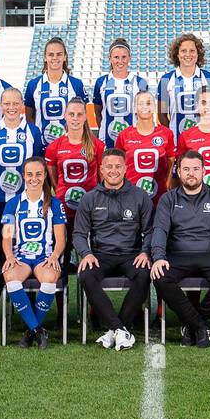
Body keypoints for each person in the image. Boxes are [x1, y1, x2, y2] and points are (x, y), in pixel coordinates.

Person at [149, 151, 210, 349]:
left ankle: (191, 324)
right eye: (187, 169)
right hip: (178, 256)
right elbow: (159, 230)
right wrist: (158, 257)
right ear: (179, 172)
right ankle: (199, 326)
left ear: (204, 171)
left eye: (196, 169)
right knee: (159, 277)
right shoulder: (168, 199)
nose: (191, 173)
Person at [74, 148, 154, 352]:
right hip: (101, 255)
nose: (113, 170)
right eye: (109, 166)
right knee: (85, 274)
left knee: (144, 274)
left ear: (125, 169)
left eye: (118, 166)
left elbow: (152, 230)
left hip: (131, 254)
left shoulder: (140, 196)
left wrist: (145, 251)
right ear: (101, 169)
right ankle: (120, 329)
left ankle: (115, 330)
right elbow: (79, 234)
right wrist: (87, 253)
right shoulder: (89, 199)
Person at [0, 157, 67, 350]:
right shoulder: (13, 204)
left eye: (38, 174)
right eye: (30, 174)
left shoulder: (54, 204)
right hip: (20, 257)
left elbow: (60, 238)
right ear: (23, 176)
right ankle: (38, 330)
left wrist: (54, 256)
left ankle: (30, 332)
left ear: (45, 175)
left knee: (50, 276)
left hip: (44, 256)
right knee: (10, 276)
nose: (34, 178)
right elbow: (6, 237)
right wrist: (10, 256)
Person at [0, 87, 45, 276]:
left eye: (15, 103)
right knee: (1, 248)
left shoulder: (33, 132)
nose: (11, 107)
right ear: (1, 105)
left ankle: (27, 294)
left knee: (27, 247)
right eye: (7, 103)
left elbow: (37, 166)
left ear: (22, 106)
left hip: (26, 202)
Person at [44, 98, 104, 272]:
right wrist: (63, 195)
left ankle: (90, 297)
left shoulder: (97, 145)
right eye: (71, 114)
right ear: (65, 116)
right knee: (60, 261)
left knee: (92, 260)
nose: (75, 118)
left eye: (79, 114)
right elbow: (53, 179)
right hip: (64, 210)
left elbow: (101, 180)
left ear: (86, 117)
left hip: (90, 210)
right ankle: (62, 298)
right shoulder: (54, 147)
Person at [157, 32, 210, 137]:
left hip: (206, 140)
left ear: (198, 54)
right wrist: (172, 135)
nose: (188, 54)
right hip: (177, 143)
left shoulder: (209, 78)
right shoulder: (166, 80)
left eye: (192, 51)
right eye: (183, 51)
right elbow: (162, 115)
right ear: (177, 54)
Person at [116, 89, 175, 201]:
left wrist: (167, 183)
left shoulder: (166, 133)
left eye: (148, 103)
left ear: (154, 107)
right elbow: (118, 163)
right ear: (134, 108)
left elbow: (171, 159)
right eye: (140, 103)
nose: (145, 107)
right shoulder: (124, 135)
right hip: (131, 196)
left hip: (159, 194)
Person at [25, 36, 87, 143]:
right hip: (41, 146)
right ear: (45, 57)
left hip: (69, 145)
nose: (55, 58)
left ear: (64, 57)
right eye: (51, 54)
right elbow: (29, 118)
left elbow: (84, 117)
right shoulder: (33, 85)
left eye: (59, 54)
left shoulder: (76, 84)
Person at [93, 38, 149, 147]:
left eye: (124, 57)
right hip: (106, 140)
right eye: (116, 57)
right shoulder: (101, 82)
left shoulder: (140, 82)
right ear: (110, 59)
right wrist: (103, 130)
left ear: (129, 58)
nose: (120, 61)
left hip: (134, 140)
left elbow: (145, 113)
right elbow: (98, 112)